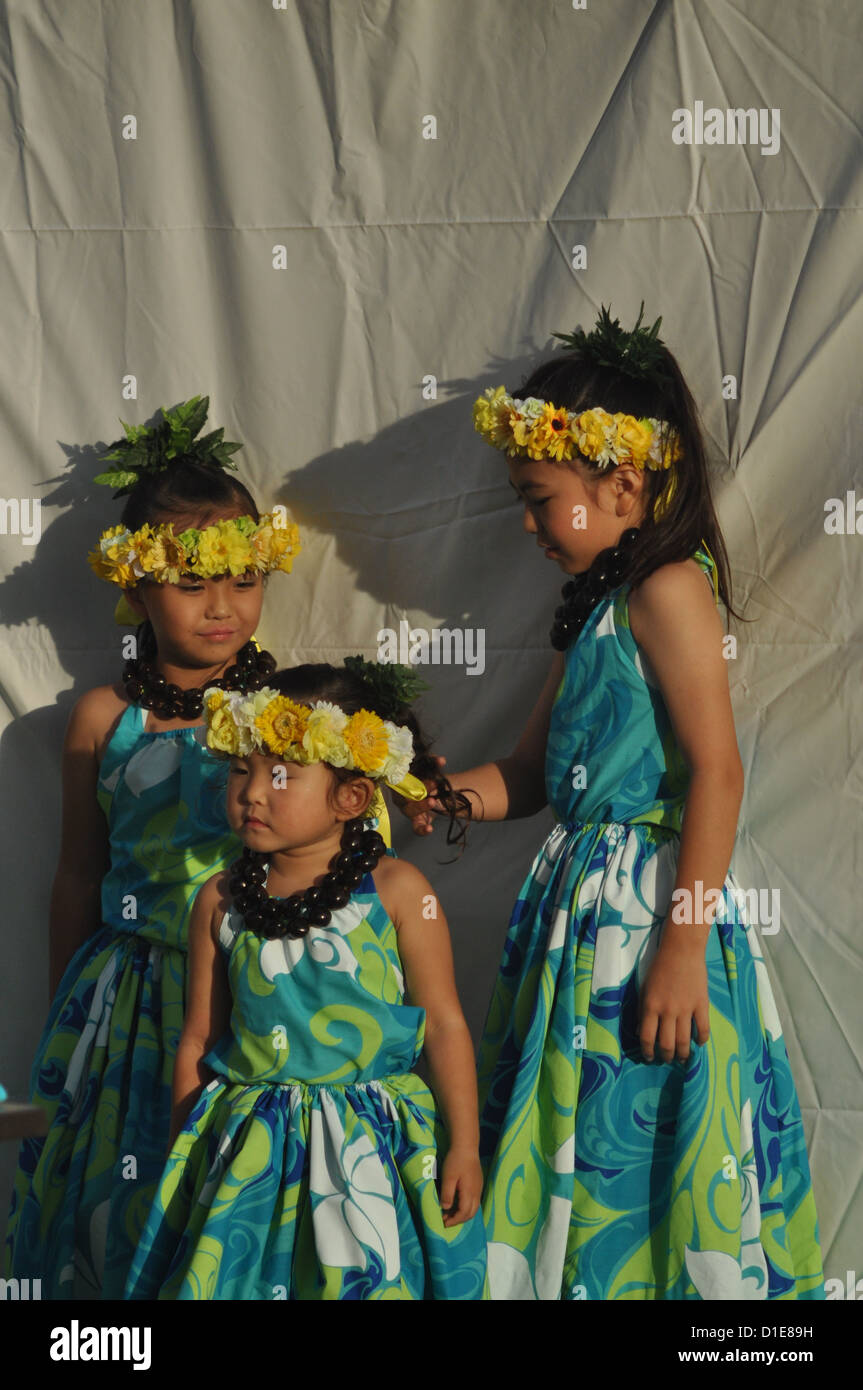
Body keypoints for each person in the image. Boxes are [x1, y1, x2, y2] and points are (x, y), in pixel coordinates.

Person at [406, 307, 824, 1300]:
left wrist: (681, 943)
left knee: (646, 1140)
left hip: (647, 922)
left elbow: (714, 771)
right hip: (574, 928)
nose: (525, 523)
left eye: (538, 498)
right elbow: (535, 772)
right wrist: (439, 794)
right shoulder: (602, 603)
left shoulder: (667, 587)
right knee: (579, 1140)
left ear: (621, 483)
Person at [3, 397, 301, 1298]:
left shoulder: (288, 715)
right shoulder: (103, 719)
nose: (223, 606)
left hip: (249, 985)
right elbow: (78, 873)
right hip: (127, 1000)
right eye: (193, 583)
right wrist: (65, 1015)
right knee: (121, 1191)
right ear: (135, 588)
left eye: (244, 579)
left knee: (237, 1194)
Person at [125, 661, 488, 1300]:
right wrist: (188, 1149)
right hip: (250, 1152)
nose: (252, 792)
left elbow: (447, 1024)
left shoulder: (402, 893)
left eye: (281, 774)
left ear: (351, 795)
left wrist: (464, 1146)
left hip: (373, 1148)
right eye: (242, 769)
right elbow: (198, 1039)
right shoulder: (217, 899)